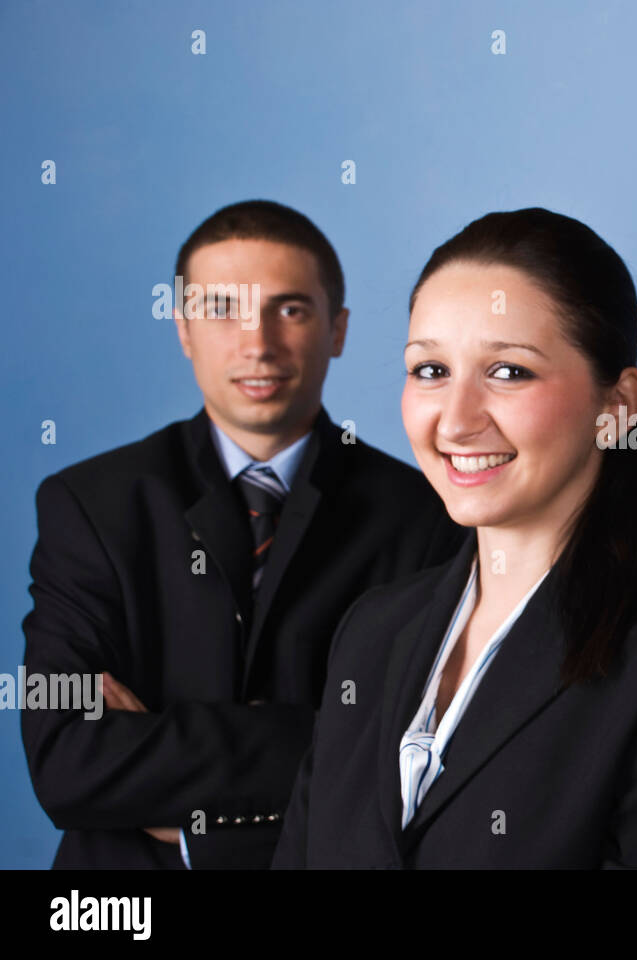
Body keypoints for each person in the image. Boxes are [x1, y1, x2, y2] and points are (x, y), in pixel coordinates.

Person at [272, 207, 637, 868]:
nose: (455, 422)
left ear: (617, 406)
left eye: (508, 372)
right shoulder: (373, 631)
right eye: (430, 370)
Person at [21, 199, 465, 869]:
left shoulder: (428, 514)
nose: (257, 344)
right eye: (223, 309)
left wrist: (191, 805)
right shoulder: (89, 505)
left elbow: (425, 763)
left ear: (337, 329)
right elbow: (66, 763)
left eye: (290, 310)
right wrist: (323, 734)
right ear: (183, 329)